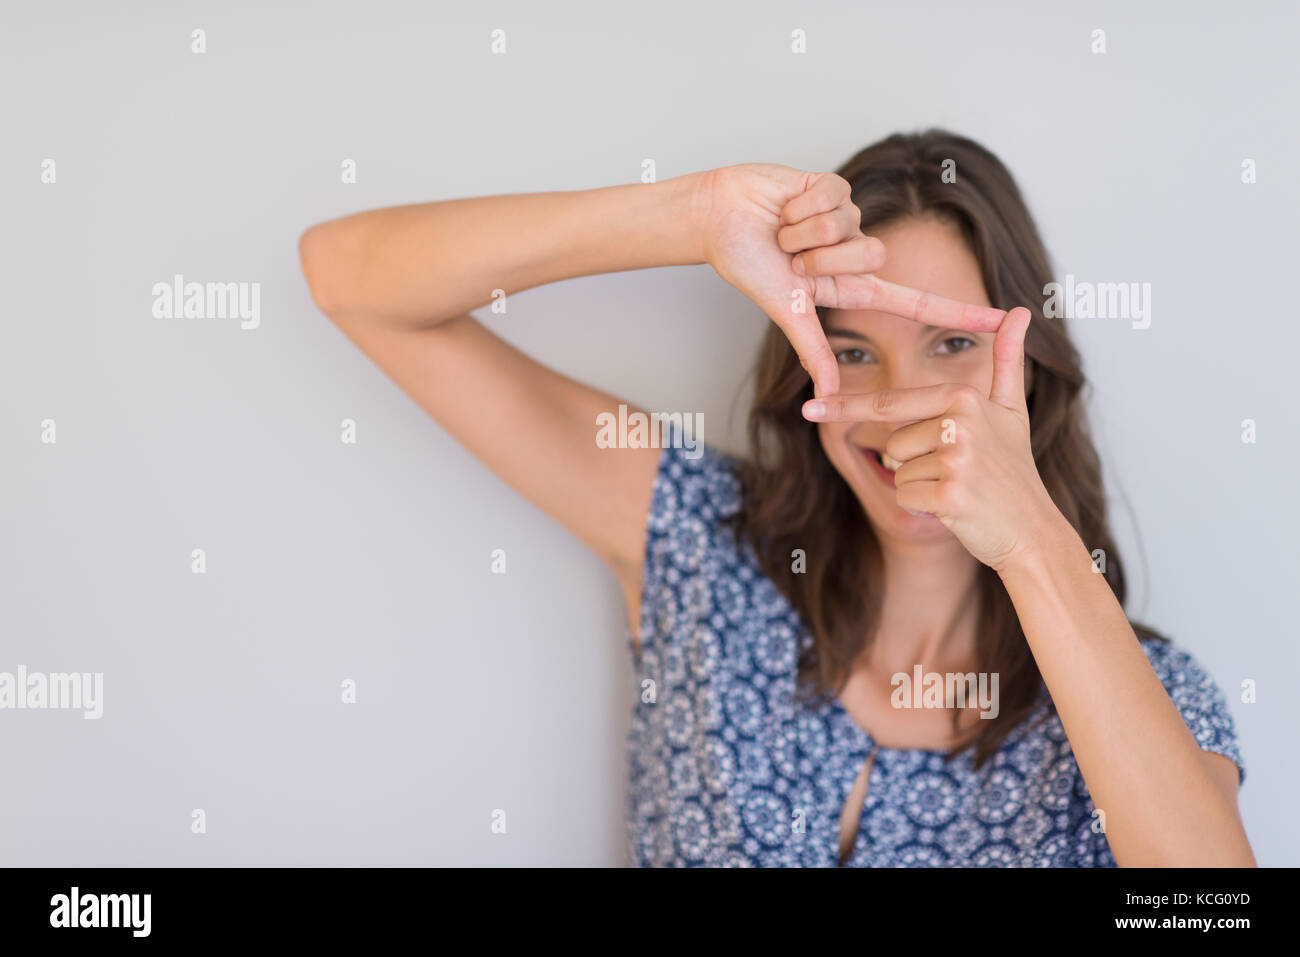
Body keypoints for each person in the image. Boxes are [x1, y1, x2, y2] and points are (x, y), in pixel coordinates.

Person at [298, 129, 1254, 867]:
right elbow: (348, 279)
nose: (894, 407)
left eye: (951, 345)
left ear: (1032, 369)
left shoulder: (1156, 698)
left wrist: (1035, 544)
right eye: (851, 351)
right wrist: (689, 216)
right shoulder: (699, 537)